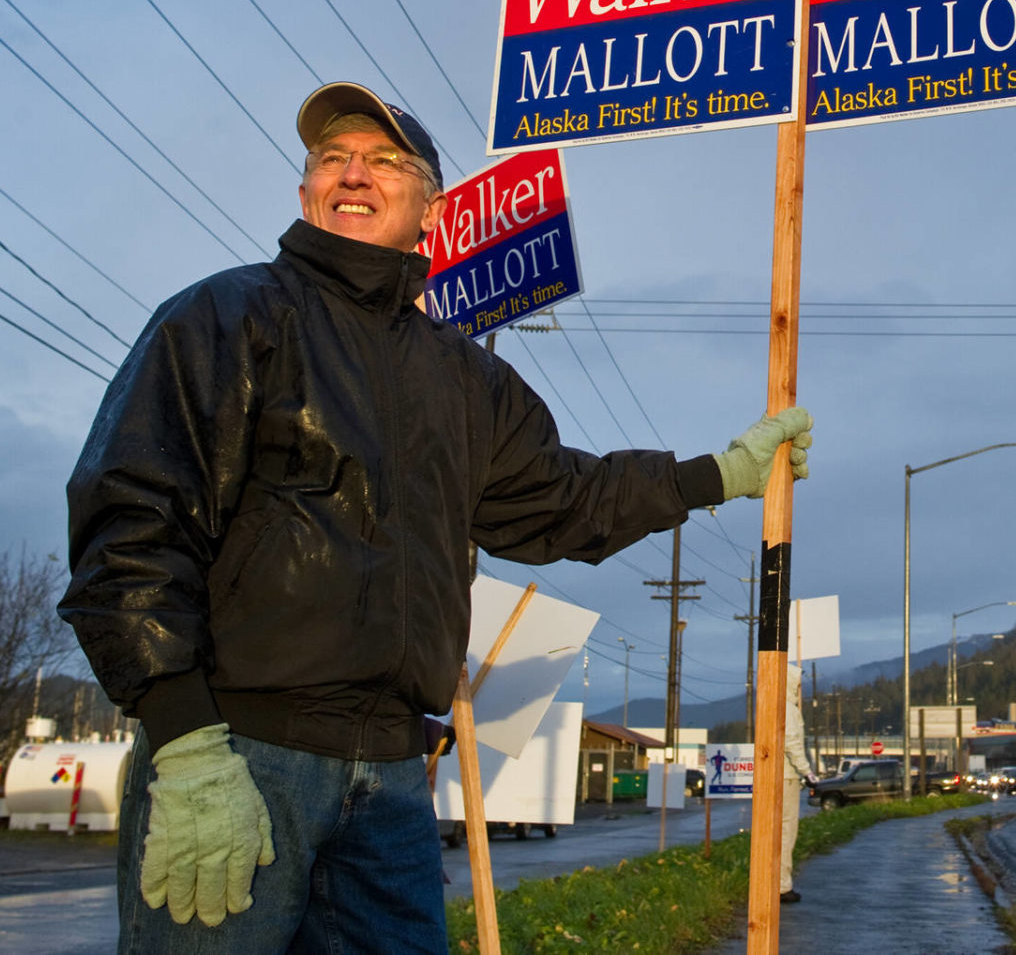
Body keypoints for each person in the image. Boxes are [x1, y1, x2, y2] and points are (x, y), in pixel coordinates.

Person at [59, 81, 814, 953]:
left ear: (430, 204)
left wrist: (718, 473)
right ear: (305, 191)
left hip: (390, 781)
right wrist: (184, 739)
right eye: (331, 158)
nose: (353, 174)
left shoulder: (464, 380)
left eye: (384, 161)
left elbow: (563, 503)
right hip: (239, 754)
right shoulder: (225, 318)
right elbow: (129, 526)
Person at [778, 662, 819, 904]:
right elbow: (792, 742)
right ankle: (782, 885)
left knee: (779, 831)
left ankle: (776, 881)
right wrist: (808, 772)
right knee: (786, 831)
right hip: (788, 777)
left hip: (779, 775)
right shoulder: (789, 709)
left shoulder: (773, 705)